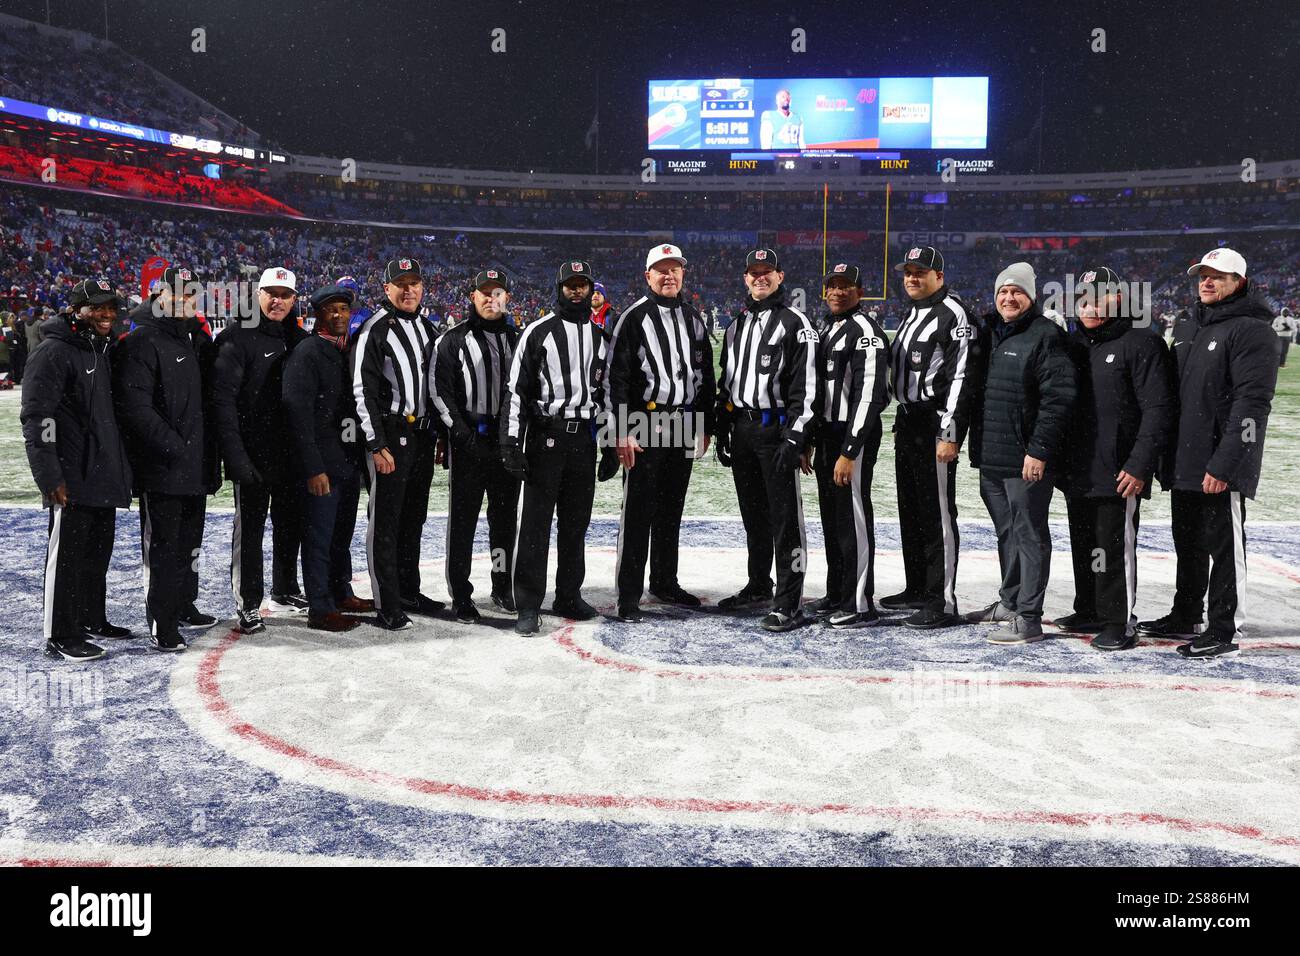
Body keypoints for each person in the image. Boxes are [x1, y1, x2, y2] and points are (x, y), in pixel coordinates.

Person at [1139, 248, 1280, 659]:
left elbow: (1253, 404)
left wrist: (1226, 462)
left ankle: (1223, 627)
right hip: (1185, 458)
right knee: (1188, 542)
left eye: (1218, 276)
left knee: (1224, 547)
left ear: (1240, 282)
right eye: (1203, 274)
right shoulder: (1187, 324)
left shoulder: (1253, 330)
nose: (1207, 281)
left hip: (1220, 462)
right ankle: (1186, 613)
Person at [1059, 267, 1173, 651]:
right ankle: (1089, 608)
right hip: (1080, 467)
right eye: (1083, 298)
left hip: (1119, 469)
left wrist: (1140, 464)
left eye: (1099, 297)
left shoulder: (1142, 342)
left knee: (1113, 546)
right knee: (1085, 543)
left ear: (1119, 298)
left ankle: (1119, 619)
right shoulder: (1078, 344)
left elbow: (1158, 408)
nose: (1089, 305)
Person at [21, 279, 133, 660]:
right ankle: (61, 634)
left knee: (96, 555)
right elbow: (39, 418)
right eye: (98, 307)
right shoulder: (53, 351)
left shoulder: (99, 349)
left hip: (100, 471)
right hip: (70, 475)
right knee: (66, 558)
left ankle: (91, 618)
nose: (107, 314)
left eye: (111, 307)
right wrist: (49, 475)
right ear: (76, 309)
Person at [604, 243, 715, 622]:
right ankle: (628, 594)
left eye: (675, 269)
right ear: (648, 276)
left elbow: (705, 377)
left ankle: (665, 581)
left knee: (671, 510)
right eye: (661, 269)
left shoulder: (694, 318)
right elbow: (614, 378)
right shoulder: (632, 318)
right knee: (637, 512)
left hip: (683, 422)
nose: (669, 275)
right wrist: (620, 430)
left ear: (683, 273)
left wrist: (704, 425)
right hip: (645, 422)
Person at [967, 262, 1076, 645]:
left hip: (1026, 459)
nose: (1009, 298)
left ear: (1031, 297)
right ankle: (1010, 601)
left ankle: (1029, 617)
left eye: (1017, 292)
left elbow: (1058, 398)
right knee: (1007, 532)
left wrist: (1039, 450)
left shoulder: (1046, 336)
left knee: (1029, 534)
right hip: (992, 457)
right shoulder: (990, 332)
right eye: (1002, 292)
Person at [714, 247, 818, 632]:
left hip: (776, 432)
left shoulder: (796, 323)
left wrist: (795, 438)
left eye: (767, 271)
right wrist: (724, 424)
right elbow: (728, 381)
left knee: (785, 520)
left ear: (780, 276)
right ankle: (759, 584)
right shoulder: (736, 324)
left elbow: (806, 390)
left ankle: (790, 602)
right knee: (753, 516)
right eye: (754, 272)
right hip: (743, 429)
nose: (760, 277)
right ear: (745, 278)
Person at [501, 260, 607, 635]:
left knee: (576, 524)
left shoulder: (599, 337)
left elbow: (605, 394)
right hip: (547, 437)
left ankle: (568, 595)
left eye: (582, 285)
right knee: (535, 525)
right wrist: (511, 443)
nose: (576, 291)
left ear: (591, 289)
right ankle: (528, 604)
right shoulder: (538, 331)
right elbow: (516, 391)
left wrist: (608, 442)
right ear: (559, 288)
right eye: (569, 285)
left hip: (583, 440)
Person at [115, 269, 217, 651]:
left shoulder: (195, 339)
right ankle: (162, 619)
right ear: (160, 296)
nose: (183, 301)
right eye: (176, 294)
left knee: (190, 544)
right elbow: (136, 408)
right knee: (163, 546)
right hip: (163, 467)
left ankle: (184, 604)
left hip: (196, 466)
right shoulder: (142, 341)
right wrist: (175, 447)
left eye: (191, 295)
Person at [352, 257, 446, 630]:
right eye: (400, 284)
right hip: (392, 436)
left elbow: (438, 386)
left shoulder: (429, 328)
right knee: (386, 522)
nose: (408, 290)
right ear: (386, 288)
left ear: (423, 287)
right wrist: (376, 444)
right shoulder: (375, 329)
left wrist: (438, 435)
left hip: (422, 436)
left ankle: (409, 590)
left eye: (414, 283)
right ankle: (386, 601)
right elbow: (363, 391)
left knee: (413, 519)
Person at [214, 266, 308, 633]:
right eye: (270, 293)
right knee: (250, 528)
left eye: (284, 295)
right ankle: (247, 603)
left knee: (290, 524)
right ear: (257, 294)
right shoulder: (238, 337)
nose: (277, 300)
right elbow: (223, 401)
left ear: (294, 300)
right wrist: (235, 457)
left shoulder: (299, 339)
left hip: (289, 454)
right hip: (253, 452)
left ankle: (284, 590)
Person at [886, 246, 975, 629]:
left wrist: (950, 432)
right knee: (911, 508)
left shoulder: (952, 314)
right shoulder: (912, 314)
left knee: (937, 512)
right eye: (907, 272)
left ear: (939, 276)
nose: (912, 278)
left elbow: (961, 378)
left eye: (920, 272)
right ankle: (918, 586)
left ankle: (943, 599)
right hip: (907, 421)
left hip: (934, 422)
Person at [283, 284, 375, 632]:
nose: (339, 315)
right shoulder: (308, 352)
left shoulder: (347, 350)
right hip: (323, 465)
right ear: (317, 315)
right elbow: (297, 413)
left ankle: (341, 592)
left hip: (347, 462)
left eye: (343, 310)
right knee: (319, 538)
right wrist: (313, 467)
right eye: (331, 310)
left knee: (340, 535)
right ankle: (320, 607)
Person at [431, 268, 521, 622]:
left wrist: (514, 438)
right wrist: (462, 436)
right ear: (473, 296)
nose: (490, 298)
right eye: (484, 292)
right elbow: (440, 392)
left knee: (503, 522)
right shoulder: (452, 339)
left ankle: (502, 584)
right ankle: (461, 593)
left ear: (506, 299)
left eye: (497, 292)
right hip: (470, 444)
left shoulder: (518, 338)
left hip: (505, 445)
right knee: (464, 523)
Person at [807, 263, 890, 629]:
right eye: (832, 286)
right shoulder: (830, 327)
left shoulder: (866, 332)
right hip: (828, 434)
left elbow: (869, 398)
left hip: (849, 436)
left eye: (846, 286)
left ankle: (859, 602)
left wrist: (849, 451)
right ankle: (838, 591)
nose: (838, 292)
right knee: (832, 518)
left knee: (852, 519)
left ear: (860, 290)